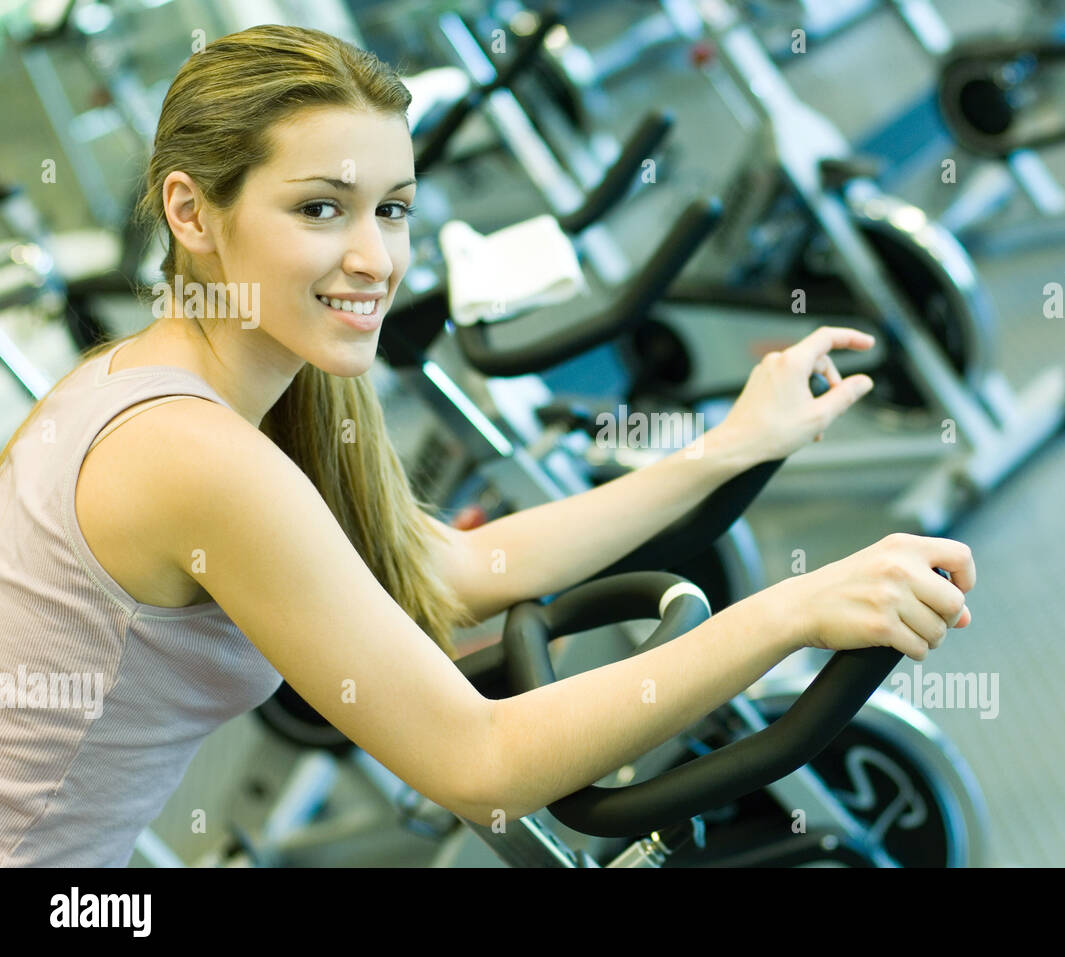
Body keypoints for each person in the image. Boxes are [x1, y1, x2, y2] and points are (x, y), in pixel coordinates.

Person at [0, 24, 974, 867]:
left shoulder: (150, 382)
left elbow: (456, 564)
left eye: (393, 208)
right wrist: (793, 612)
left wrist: (724, 446)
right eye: (318, 209)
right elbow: (481, 766)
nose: (375, 259)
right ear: (190, 212)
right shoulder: (192, 455)